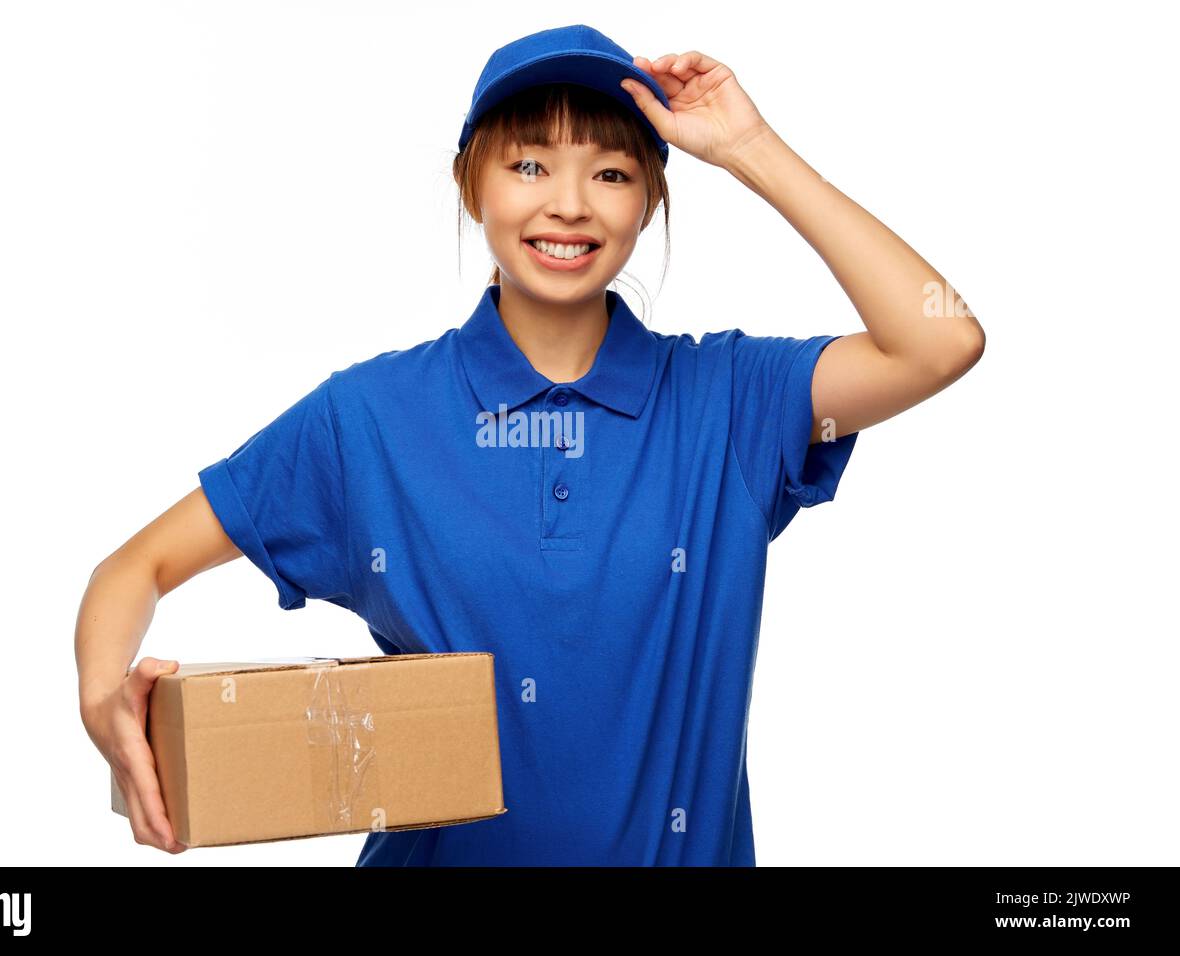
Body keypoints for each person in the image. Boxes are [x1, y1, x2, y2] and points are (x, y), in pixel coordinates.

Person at [76, 24, 984, 865]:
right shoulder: (372, 417)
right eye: (530, 165)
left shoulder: (732, 403)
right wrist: (101, 700)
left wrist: (751, 150)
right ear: (473, 185)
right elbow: (136, 568)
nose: (569, 205)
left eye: (612, 174)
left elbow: (940, 340)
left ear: (649, 201)